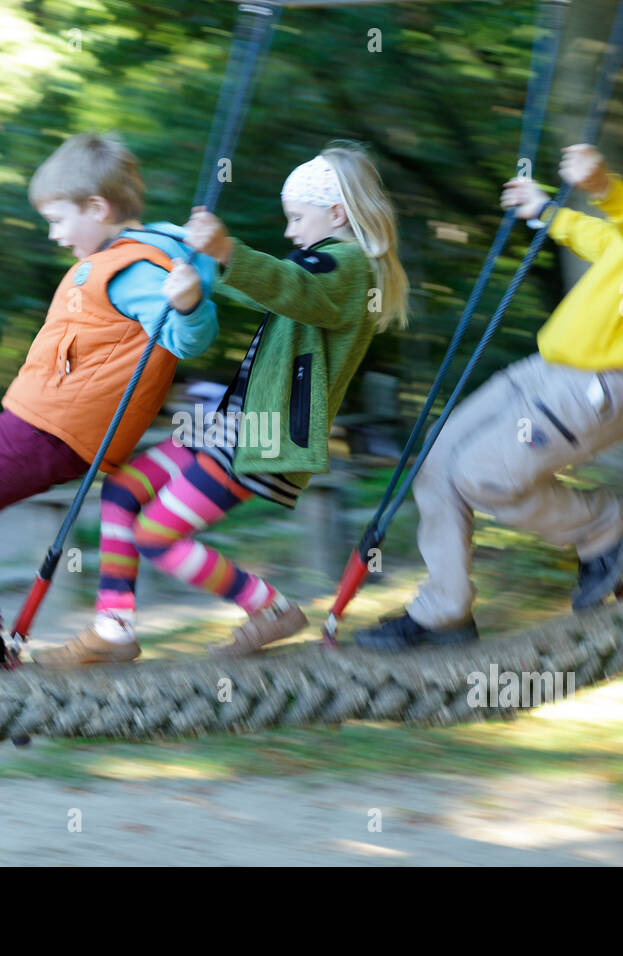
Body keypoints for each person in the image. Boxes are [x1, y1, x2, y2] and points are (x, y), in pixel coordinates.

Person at [356, 74, 623, 651]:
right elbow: (616, 244)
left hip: (605, 386)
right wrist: (548, 210)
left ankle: (606, 527)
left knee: (482, 477)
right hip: (550, 370)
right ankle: (443, 611)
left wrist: (607, 188)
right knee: (435, 461)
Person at [34, 141, 409, 666]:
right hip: (230, 427)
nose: (289, 230)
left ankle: (271, 607)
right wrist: (197, 266)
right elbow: (270, 289)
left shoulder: (348, 270)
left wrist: (227, 250)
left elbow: (289, 285)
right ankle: (114, 626)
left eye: (296, 218)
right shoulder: (323, 267)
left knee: (156, 534)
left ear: (336, 214)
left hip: (263, 438)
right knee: (123, 489)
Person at [0, 132, 218, 680]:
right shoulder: (126, 255)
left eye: (59, 219)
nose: (53, 233)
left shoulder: (135, 269)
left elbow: (186, 338)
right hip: (46, 419)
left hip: (53, 425)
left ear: (98, 207)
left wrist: (191, 300)